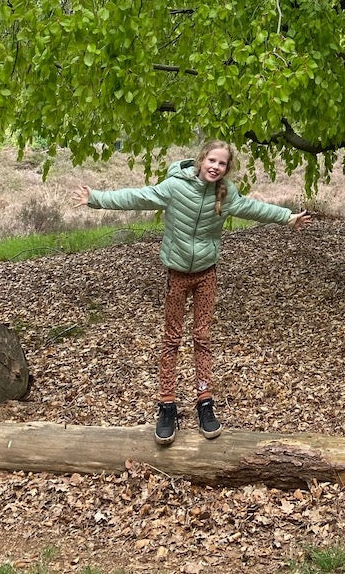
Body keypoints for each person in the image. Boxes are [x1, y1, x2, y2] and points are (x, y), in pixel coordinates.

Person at [73, 139, 312, 445]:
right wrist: (96, 198)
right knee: (171, 339)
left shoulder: (226, 195)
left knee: (202, 338)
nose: (216, 167)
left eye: (222, 163)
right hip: (177, 275)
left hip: (206, 275)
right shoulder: (175, 187)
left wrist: (287, 217)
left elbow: (255, 208)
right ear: (201, 160)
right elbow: (137, 196)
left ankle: (205, 402)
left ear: (226, 169)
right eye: (212, 160)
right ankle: (167, 405)